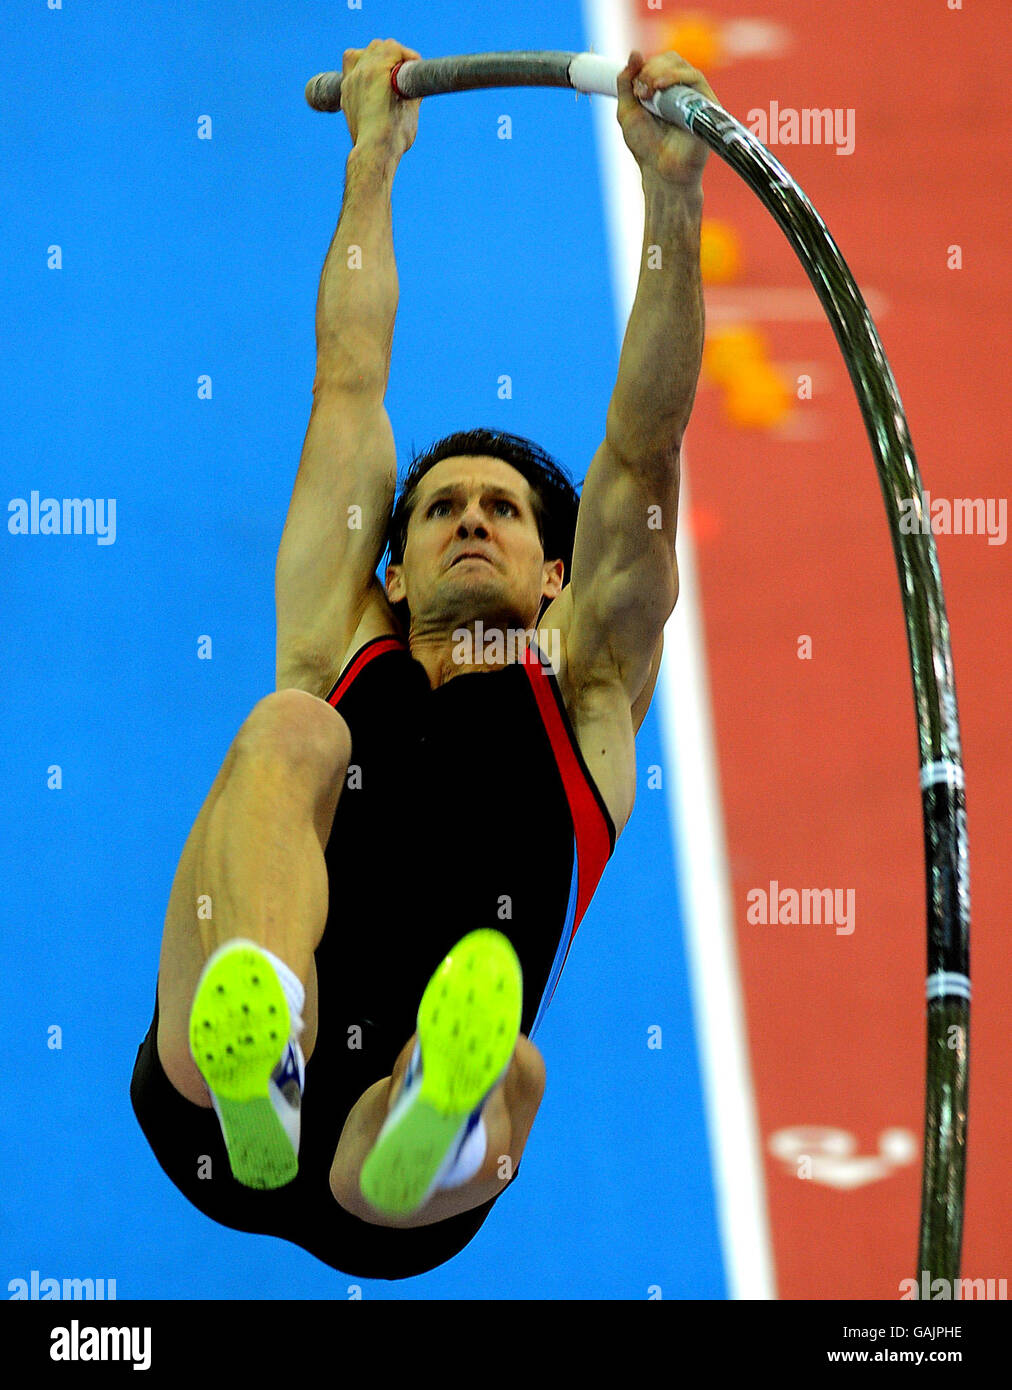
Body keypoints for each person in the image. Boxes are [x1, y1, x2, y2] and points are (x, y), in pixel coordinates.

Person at [130, 38, 716, 1281]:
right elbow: (347, 381)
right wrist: (371, 158)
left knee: (509, 1057)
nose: (467, 519)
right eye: (440, 507)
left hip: (384, 1189)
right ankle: (266, 1045)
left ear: (556, 579)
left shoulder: (587, 691)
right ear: (389, 569)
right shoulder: (343, 646)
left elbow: (645, 445)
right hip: (207, 1097)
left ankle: (424, 1119)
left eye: (503, 511)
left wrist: (672, 199)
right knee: (291, 728)